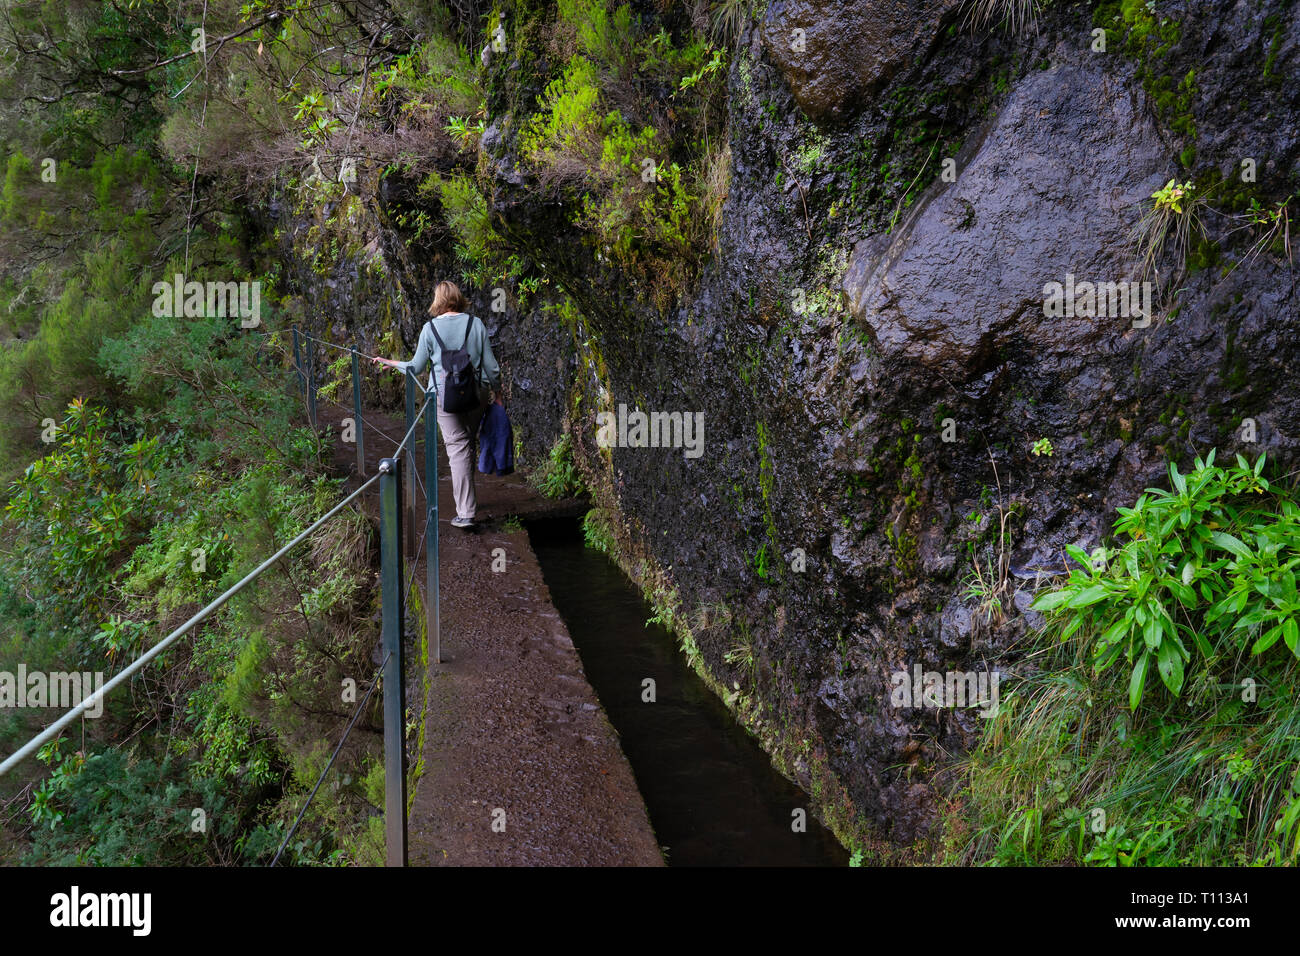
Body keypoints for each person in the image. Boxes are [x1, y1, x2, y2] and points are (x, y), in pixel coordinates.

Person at [373, 280, 501, 529]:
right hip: (475, 394)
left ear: (437, 301)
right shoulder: (476, 324)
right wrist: (493, 391)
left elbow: (416, 367)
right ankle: (468, 499)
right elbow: (492, 368)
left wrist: (390, 362)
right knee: (467, 443)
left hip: (443, 397)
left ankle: (466, 513)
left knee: (458, 447)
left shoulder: (429, 329)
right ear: (459, 298)